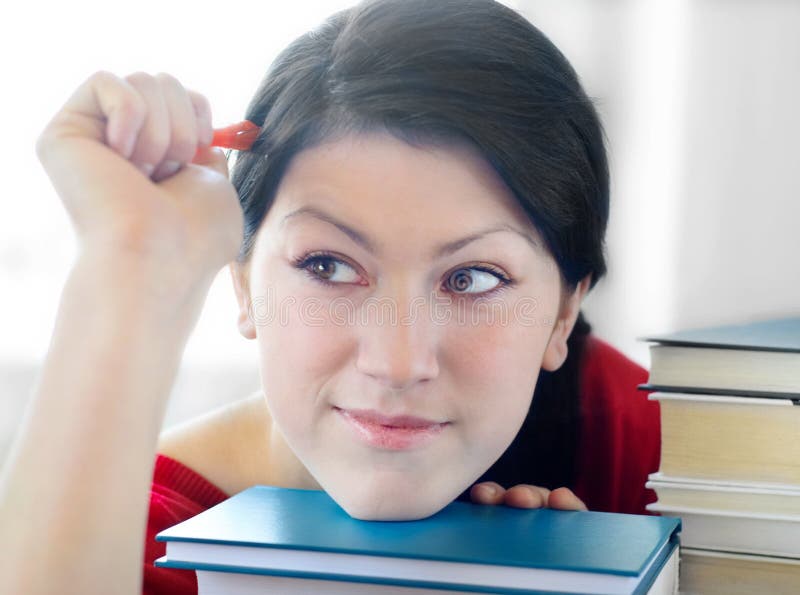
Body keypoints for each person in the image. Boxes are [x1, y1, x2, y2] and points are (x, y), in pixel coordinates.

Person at [0, 0, 659, 593]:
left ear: (562, 314)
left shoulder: (655, 449)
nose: (398, 363)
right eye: (327, 265)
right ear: (243, 281)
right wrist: (129, 260)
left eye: (472, 278)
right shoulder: (129, 541)